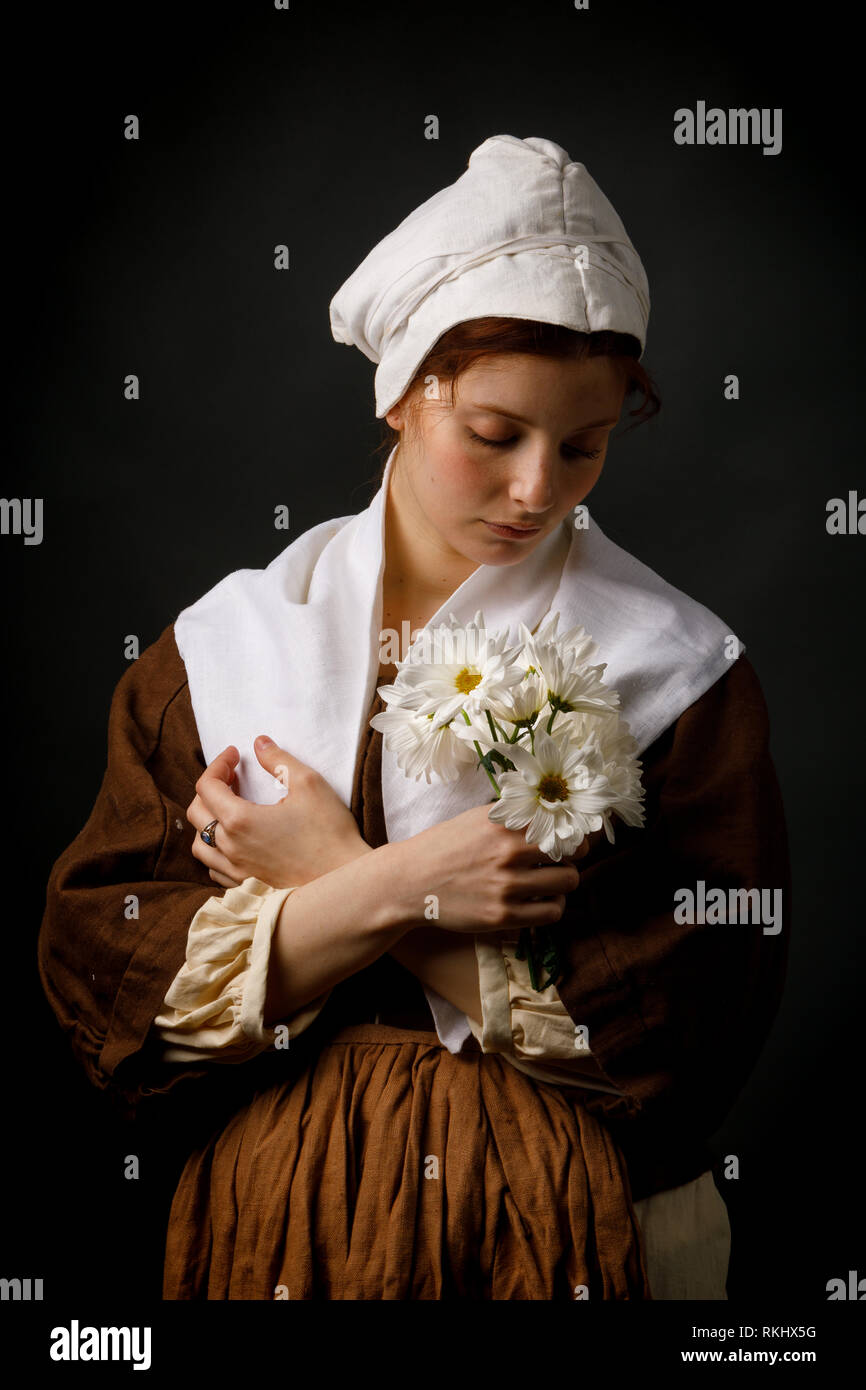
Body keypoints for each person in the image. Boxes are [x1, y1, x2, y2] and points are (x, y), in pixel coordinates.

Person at [38, 134, 789, 1300]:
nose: (537, 489)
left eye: (582, 445)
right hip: (283, 1224)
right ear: (400, 395)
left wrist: (340, 880)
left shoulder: (677, 666)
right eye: (493, 435)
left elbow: (690, 1041)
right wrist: (406, 884)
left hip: (580, 1224)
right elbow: (108, 985)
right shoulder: (228, 646)